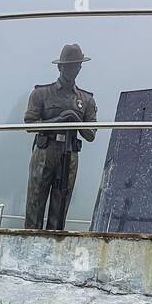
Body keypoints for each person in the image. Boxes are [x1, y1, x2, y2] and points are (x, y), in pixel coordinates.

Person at [23, 43, 97, 230]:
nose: (73, 69)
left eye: (76, 65)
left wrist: (77, 122)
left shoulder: (86, 99)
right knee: (35, 204)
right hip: (45, 152)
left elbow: (91, 135)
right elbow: (29, 124)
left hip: (69, 154)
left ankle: (53, 248)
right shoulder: (41, 93)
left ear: (80, 67)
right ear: (60, 66)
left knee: (60, 209)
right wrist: (58, 120)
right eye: (69, 65)